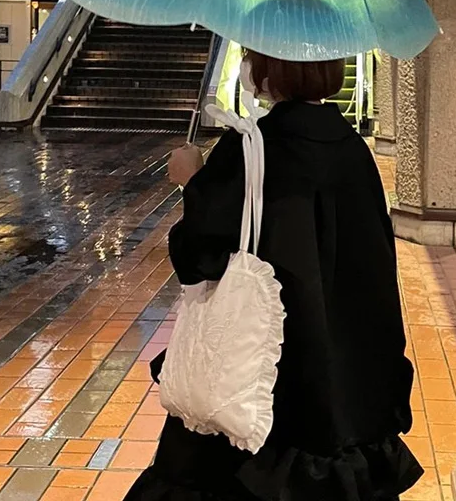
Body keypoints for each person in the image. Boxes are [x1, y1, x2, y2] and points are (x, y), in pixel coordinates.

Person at [124, 51, 423, 501]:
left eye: (250, 55)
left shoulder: (251, 148)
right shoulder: (352, 149)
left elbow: (197, 258)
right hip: (346, 377)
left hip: (260, 376)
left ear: (269, 68)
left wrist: (194, 182)